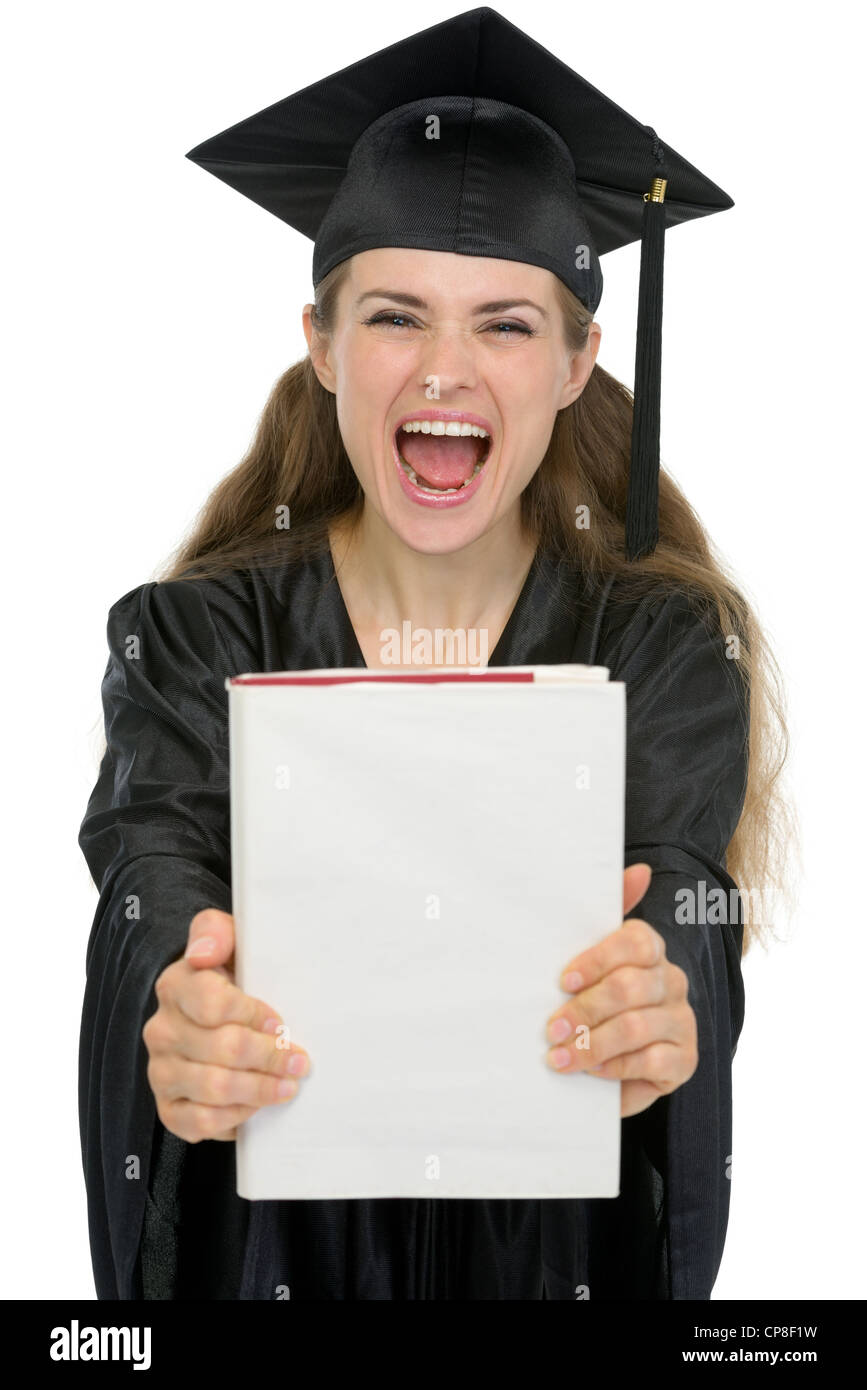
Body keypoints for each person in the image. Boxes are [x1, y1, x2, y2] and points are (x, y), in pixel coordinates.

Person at [78, 8, 789, 1300]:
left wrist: (662, 998)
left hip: (549, 1263)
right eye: (397, 315)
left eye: (509, 325)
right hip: (278, 1259)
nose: (447, 370)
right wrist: (181, 1012)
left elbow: (684, 894)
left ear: (580, 361)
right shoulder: (196, 638)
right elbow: (152, 882)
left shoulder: (662, 644)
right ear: (323, 342)